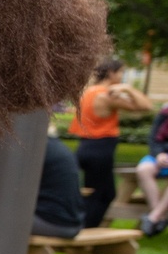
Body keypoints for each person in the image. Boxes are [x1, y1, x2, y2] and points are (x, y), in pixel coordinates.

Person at [69, 58, 151, 229]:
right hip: (101, 149)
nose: (122, 76)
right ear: (111, 73)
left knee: (93, 192)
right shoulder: (107, 95)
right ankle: (85, 230)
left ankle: (82, 226)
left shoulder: (88, 92)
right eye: (121, 72)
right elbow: (146, 106)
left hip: (84, 146)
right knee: (104, 195)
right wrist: (127, 88)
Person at [135, 104, 168, 237]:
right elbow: (154, 138)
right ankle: (159, 216)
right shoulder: (165, 112)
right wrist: (159, 154)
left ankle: (153, 217)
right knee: (144, 169)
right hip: (161, 156)